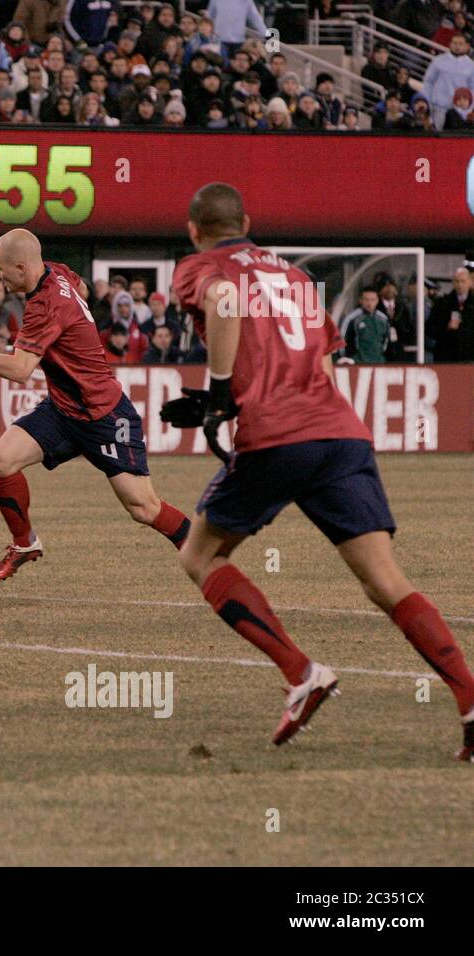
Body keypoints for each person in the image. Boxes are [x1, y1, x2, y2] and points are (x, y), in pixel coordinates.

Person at [167, 182, 474, 757]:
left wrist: (216, 397)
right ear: (249, 220)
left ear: (193, 229)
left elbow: (226, 304)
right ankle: (470, 699)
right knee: (385, 581)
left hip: (278, 432)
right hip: (338, 431)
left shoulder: (199, 266)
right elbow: (326, 366)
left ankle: (301, 673)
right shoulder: (297, 276)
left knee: (200, 554)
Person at [0, 230, 193, 581]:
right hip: (63, 409)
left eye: (0, 270)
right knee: (1, 461)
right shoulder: (55, 271)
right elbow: (83, 289)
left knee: (143, 508)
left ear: (20, 267)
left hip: (103, 414)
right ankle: (24, 542)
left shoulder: (44, 306)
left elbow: (20, 369)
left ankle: (202, 551)